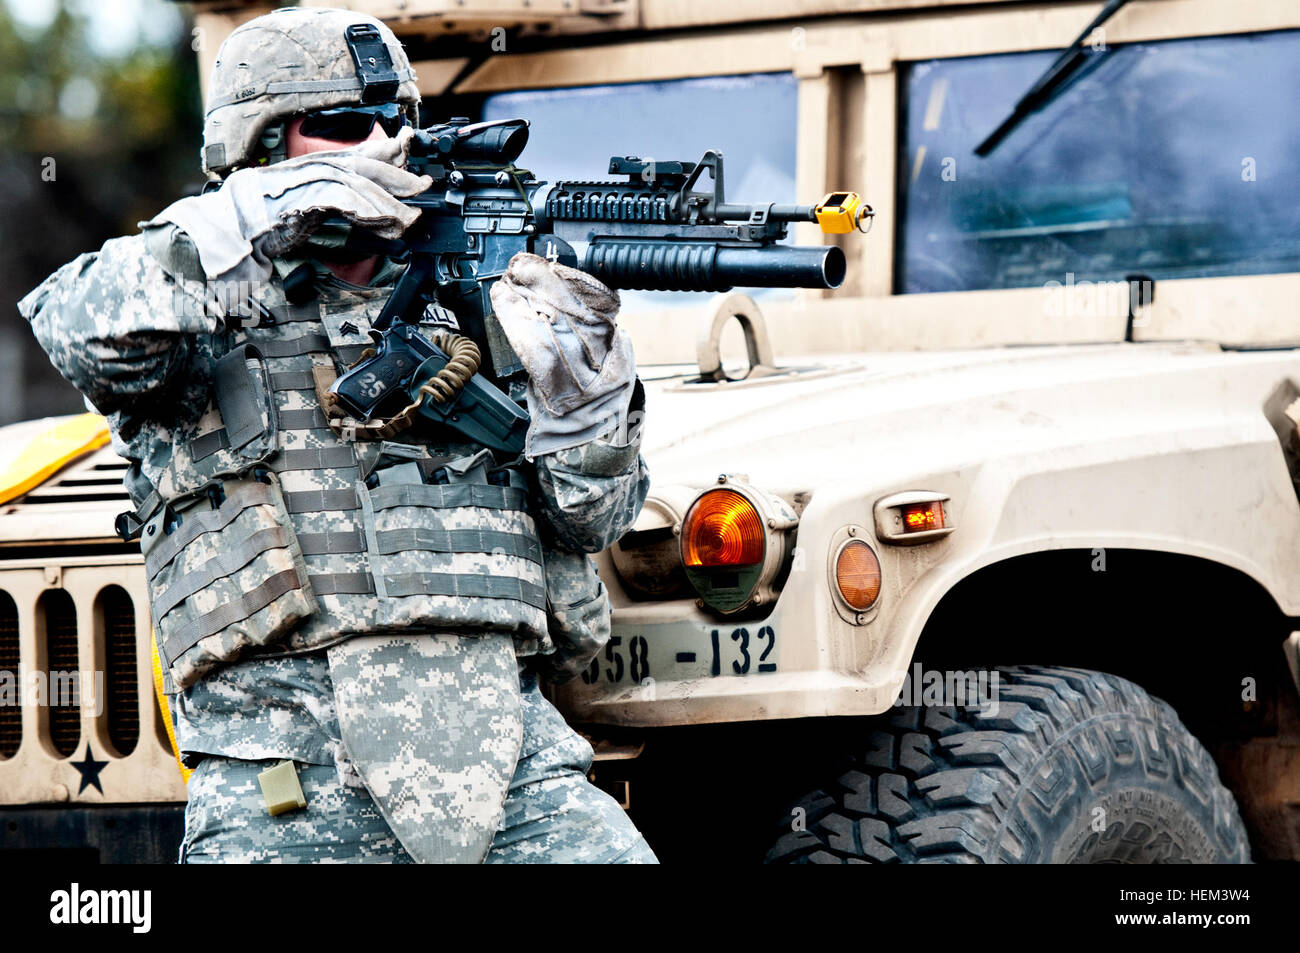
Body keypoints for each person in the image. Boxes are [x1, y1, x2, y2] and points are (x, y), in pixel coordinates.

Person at [18, 6, 655, 864]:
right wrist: (252, 216)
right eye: (348, 126)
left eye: (399, 122)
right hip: (285, 780)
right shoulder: (202, 297)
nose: (384, 144)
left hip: (517, 771)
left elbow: (590, 522)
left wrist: (592, 396)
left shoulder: (482, 302)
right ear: (260, 142)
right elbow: (77, 324)